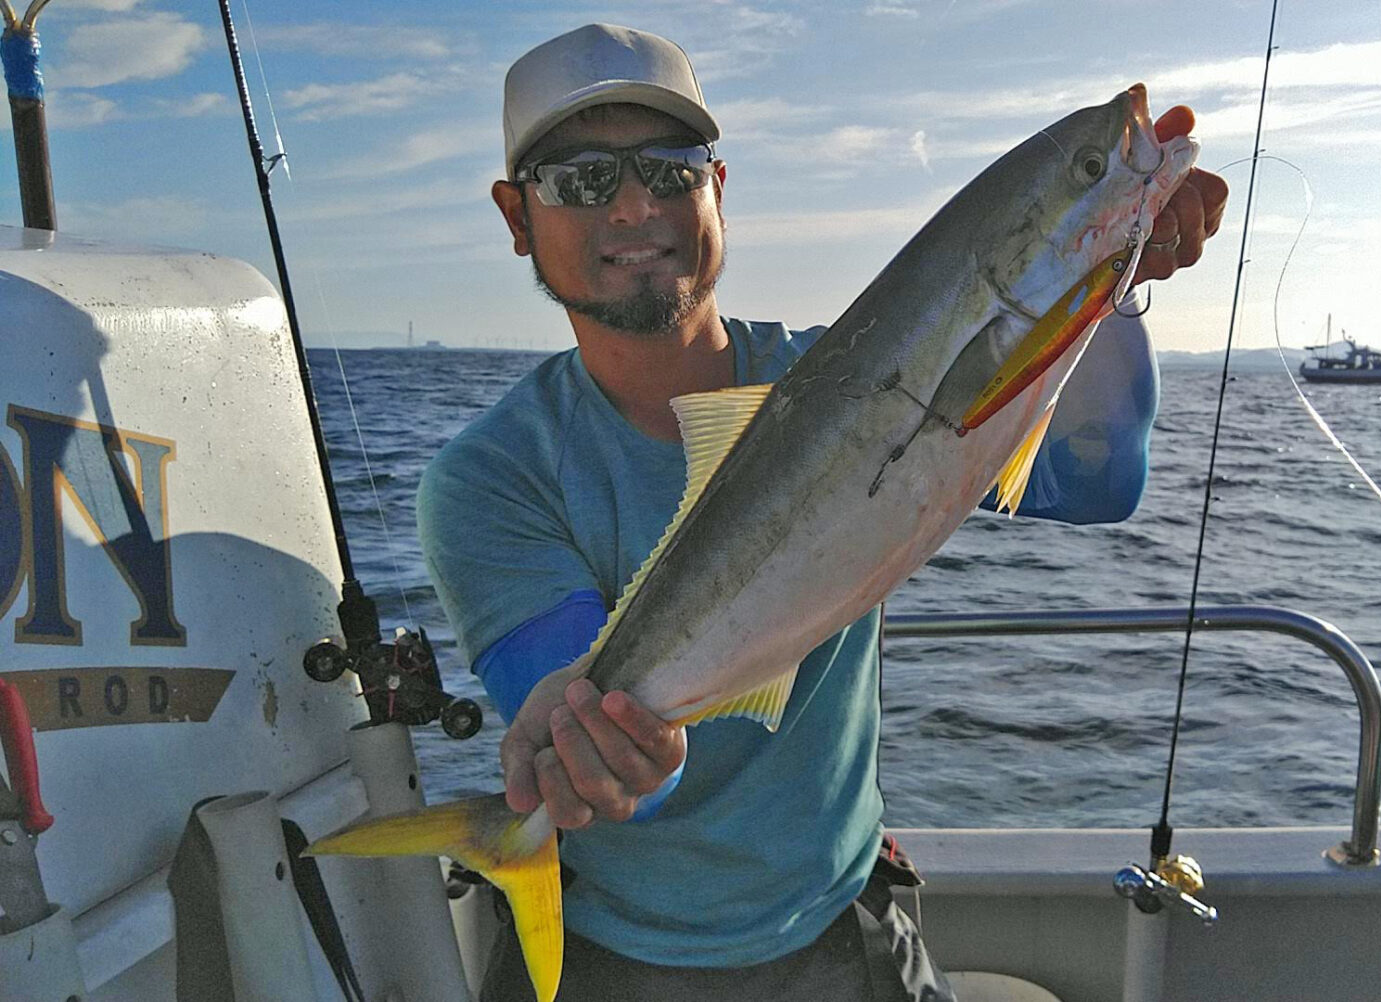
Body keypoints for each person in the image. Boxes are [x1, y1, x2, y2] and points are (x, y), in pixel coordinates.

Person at [417, 22, 1227, 1002]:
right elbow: (606, 736)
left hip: (852, 924)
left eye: (668, 169)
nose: (634, 204)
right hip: (621, 961)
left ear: (717, 185)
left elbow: (1100, 483)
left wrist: (1116, 286)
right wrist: (607, 757)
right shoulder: (489, 477)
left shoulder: (831, 370)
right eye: (581, 179)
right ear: (516, 215)